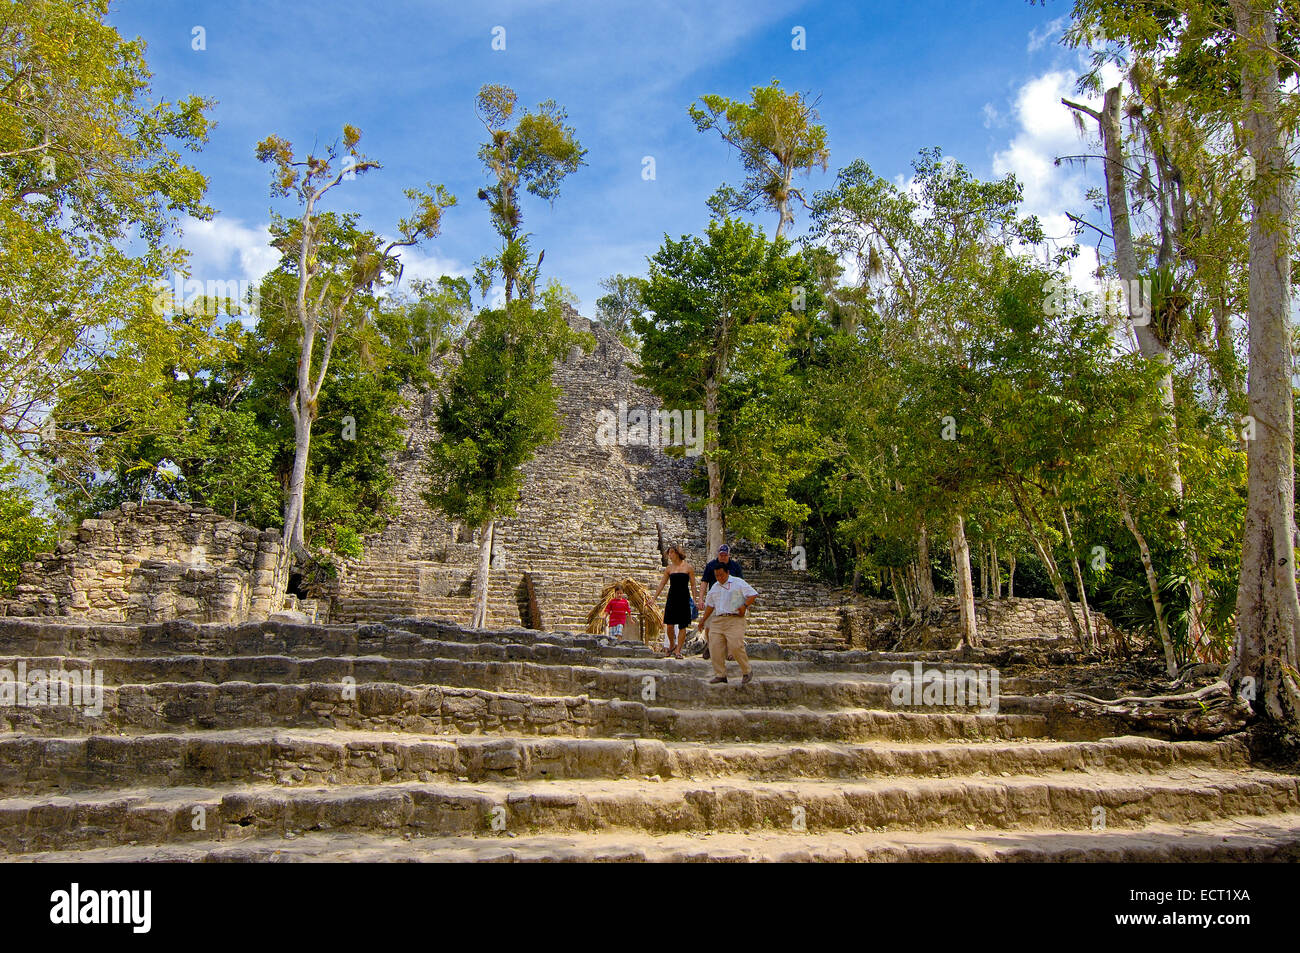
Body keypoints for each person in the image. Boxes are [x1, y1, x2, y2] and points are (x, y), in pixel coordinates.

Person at [697, 562, 758, 685]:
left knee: (736, 645)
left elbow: (753, 594)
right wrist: (703, 620)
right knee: (714, 648)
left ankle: (747, 671)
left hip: (735, 619)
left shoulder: (738, 582)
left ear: (727, 573)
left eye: (721, 575)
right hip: (718, 619)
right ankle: (720, 674)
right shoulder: (714, 588)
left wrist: (744, 606)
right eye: (717, 576)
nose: (719, 578)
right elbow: (710, 606)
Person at [697, 544, 743, 655]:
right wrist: (701, 598)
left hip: (731, 600)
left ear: (729, 555)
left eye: (725, 555)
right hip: (715, 599)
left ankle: (730, 651)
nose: (723, 557)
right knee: (709, 625)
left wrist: (739, 603)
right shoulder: (711, 565)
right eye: (721, 555)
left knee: (731, 627)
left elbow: (740, 584)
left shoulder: (735, 567)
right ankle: (709, 645)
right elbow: (704, 582)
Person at [653, 544, 695, 659]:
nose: (670, 555)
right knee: (670, 625)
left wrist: (696, 600)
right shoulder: (669, 569)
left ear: (677, 553)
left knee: (682, 625)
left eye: (671, 552)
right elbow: (662, 584)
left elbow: (693, 585)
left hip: (684, 598)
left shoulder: (688, 568)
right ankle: (672, 644)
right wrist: (654, 598)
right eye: (669, 553)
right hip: (672, 598)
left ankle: (678, 650)